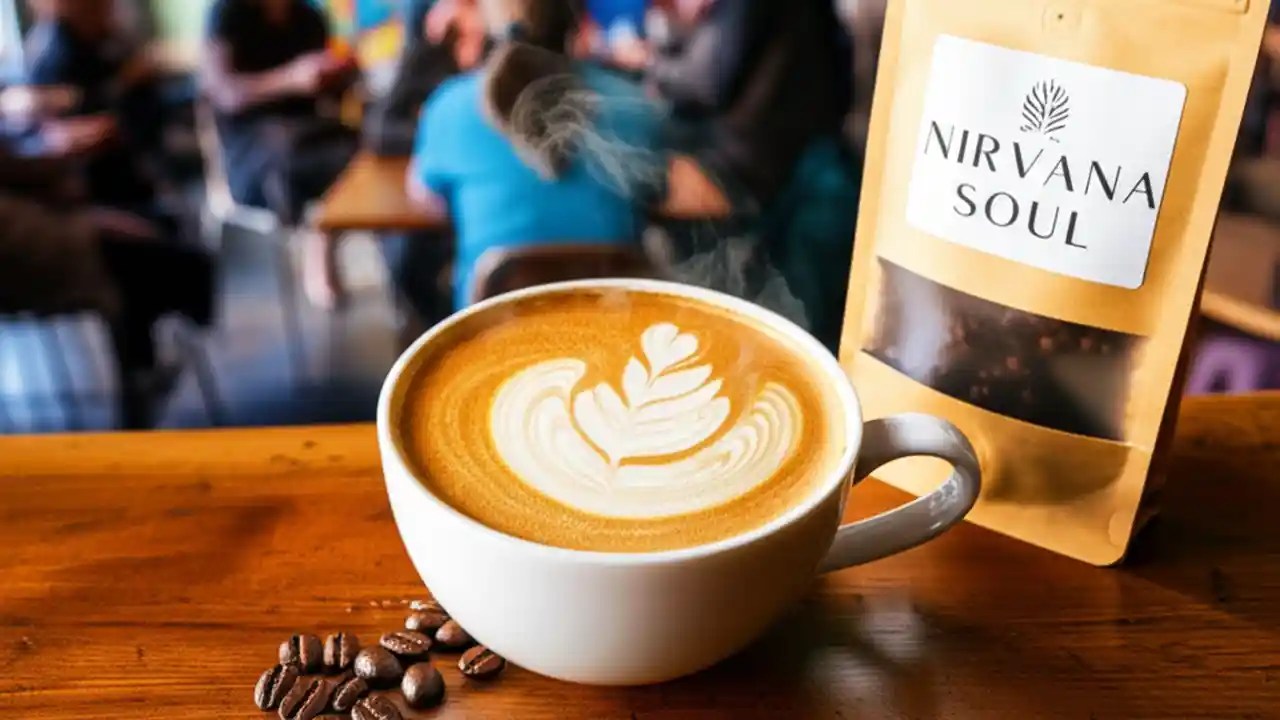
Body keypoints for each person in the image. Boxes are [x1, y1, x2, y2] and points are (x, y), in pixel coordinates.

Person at [618, 0, 859, 350]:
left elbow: (709, 80)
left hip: (788, 169)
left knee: (795, 332)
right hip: (795, 159)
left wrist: (653, 65)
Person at [408, 0, 679, 311]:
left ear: (487, 20)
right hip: (618, 316)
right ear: (578, 19)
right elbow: (656, 191)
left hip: (488, 326)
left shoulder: (448, 106)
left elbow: (425, 199)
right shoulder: (634, 103)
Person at [0, 133, 215, 429]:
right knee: (153, 255)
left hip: (39, 232)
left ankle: (142, 371)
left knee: (148, 222)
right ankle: (140, 377)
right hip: (32, 252)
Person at [201, 0, 361, 309]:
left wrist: (340, 73)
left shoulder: (309, 16)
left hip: (307, 139)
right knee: (296, 156)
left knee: (365, 151)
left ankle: (324, 227)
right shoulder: (228, 13)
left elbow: (327, 95)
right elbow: (223, 92)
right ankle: (320, 230)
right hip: (252, 154)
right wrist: (290, 79)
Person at [372, 0, 489, 329]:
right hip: (438, 193)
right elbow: (381, 130)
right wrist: (438, 135)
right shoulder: (426, 56)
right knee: (404, 256)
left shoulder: (508, 56)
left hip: (482, 201)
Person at [23, 0, 166, 215]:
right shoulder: (53, 51)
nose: (109, 6)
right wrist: (123, 83)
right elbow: (62, 128)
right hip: (94, 189)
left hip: (136, 168)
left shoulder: (106, 39)